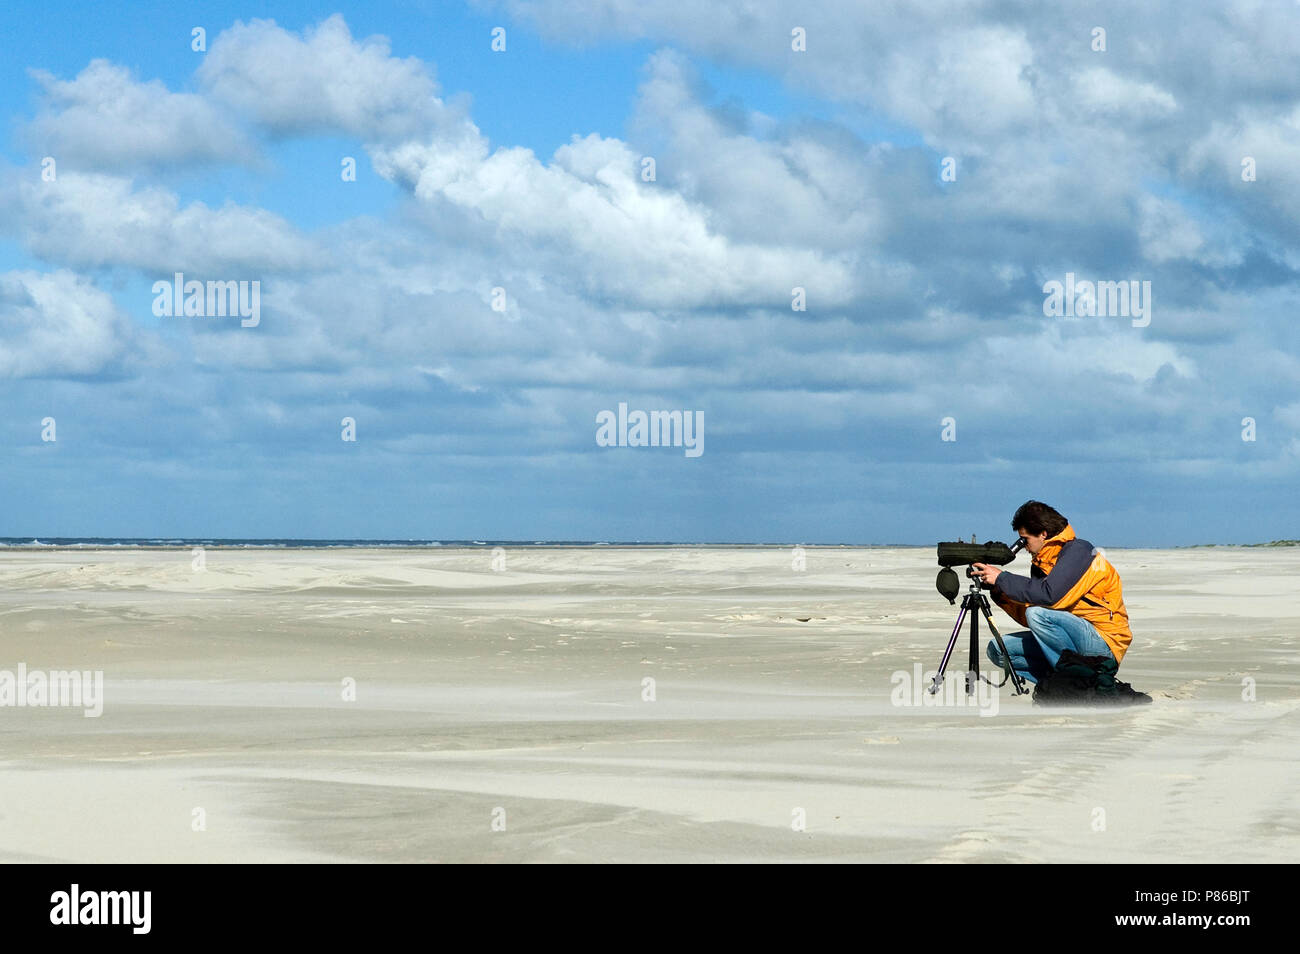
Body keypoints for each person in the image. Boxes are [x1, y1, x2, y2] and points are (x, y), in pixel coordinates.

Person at [970, 500, 1132, 684]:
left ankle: (1070, 684)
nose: (1024, 546)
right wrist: (1000, 591)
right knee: (999, 650)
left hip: (1104, 642)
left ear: (1043, 534)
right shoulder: (1041, 565)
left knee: (1038, 614)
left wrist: (1003, 578)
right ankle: (1061, 684)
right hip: (1072, 638)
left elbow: (1050, 597)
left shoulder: (1079, 552)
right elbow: (1032, 619)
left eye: (1025, 539)